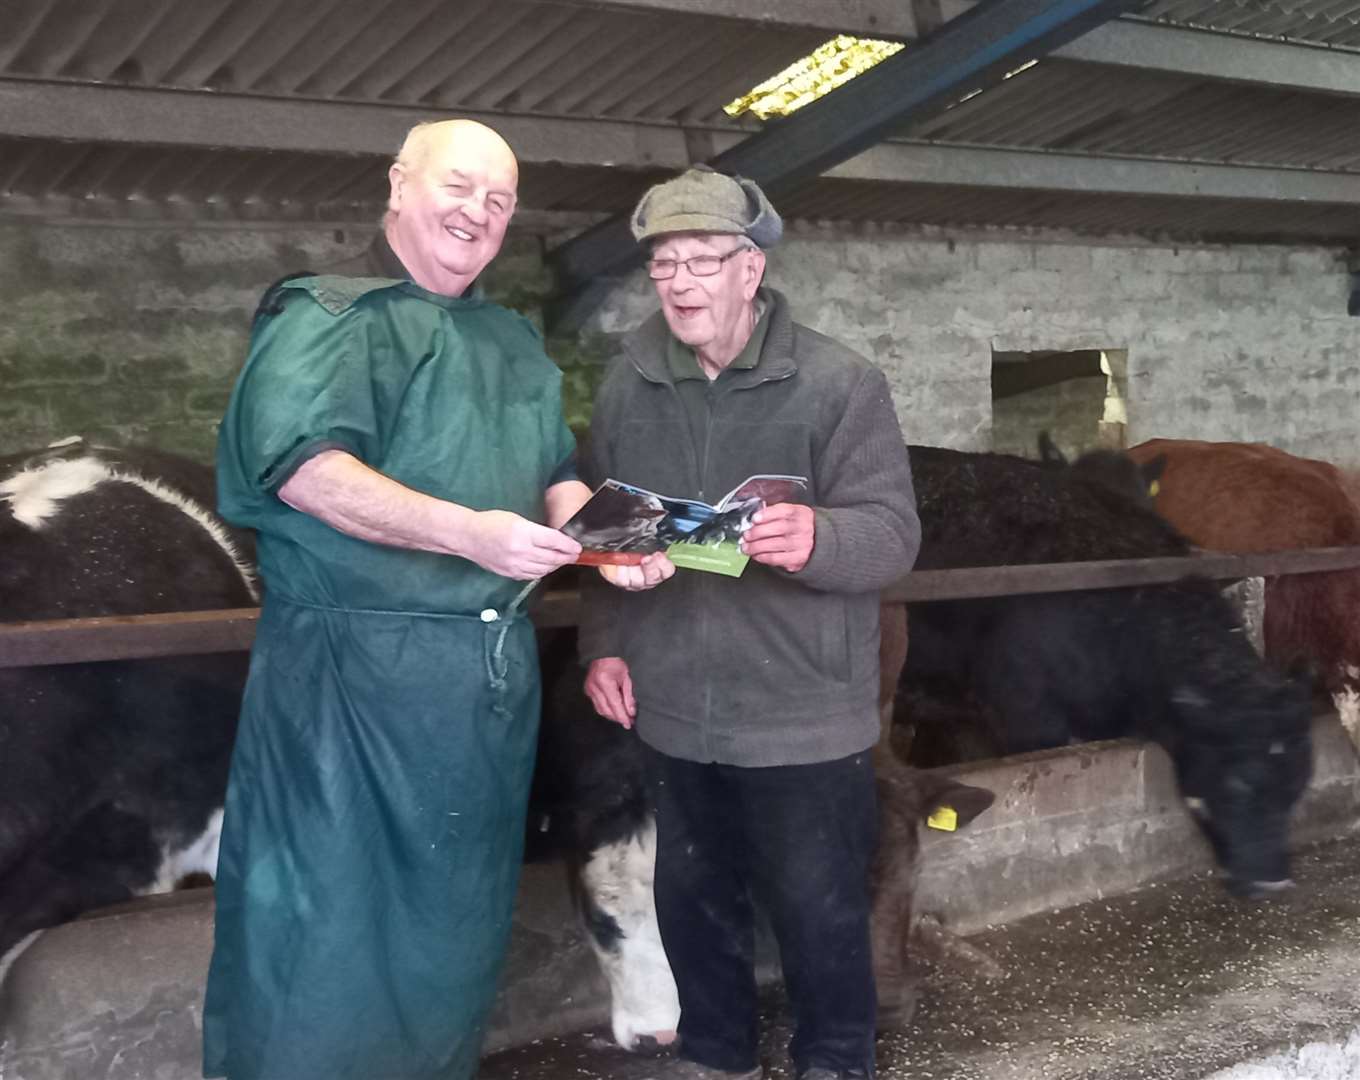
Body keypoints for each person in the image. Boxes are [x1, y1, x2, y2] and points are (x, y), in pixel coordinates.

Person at [203, 119, 596, 1080]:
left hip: (479, 690)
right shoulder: (329, 316)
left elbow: (555, 468)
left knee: (451, 936)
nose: (478, 214)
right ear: (398, 183)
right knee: (324, 937)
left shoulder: (506, 338)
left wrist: (602, 535)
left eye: (499, 201)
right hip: (349, 683)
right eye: (459, 187)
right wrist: (470, 532)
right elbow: (305, 473)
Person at [580, 165, 921, 1080]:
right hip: (674, 702)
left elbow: (893, 536)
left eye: (703, 260)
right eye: (664, 265)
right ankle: (716, 1052)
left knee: (818, 904)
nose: (682, 283)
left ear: (750, 269)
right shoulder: (627, 389)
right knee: (691, 895)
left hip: (804, 707)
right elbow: (606, 528)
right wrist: (603, 646)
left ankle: (836, 1059)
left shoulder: (840, 385)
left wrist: (818, 535)